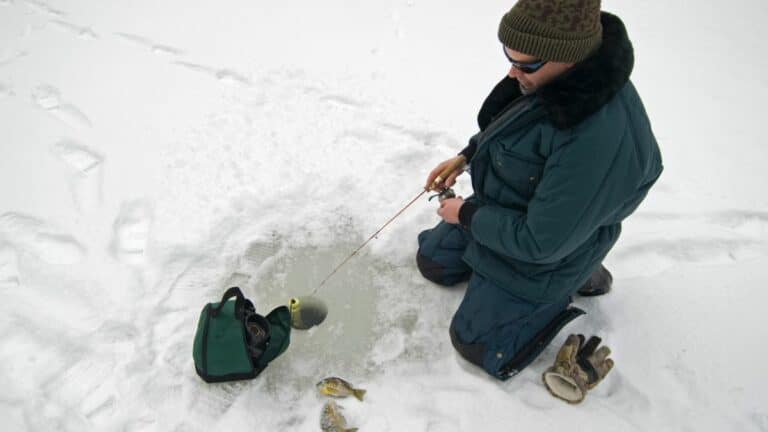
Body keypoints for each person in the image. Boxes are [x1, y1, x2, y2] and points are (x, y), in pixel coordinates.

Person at [416, 0, 663, 380]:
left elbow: (540, 243)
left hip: (547, 247)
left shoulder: (594, 139)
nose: (513, 72)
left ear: (569, 57)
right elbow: (515, 127)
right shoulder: (556, 79)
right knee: (433, 261)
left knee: (476, 343)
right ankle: (554, 265)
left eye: (526, 63)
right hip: (520, 209)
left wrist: (465, 214)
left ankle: (576, 274)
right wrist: (467, 155)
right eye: (509, 57)